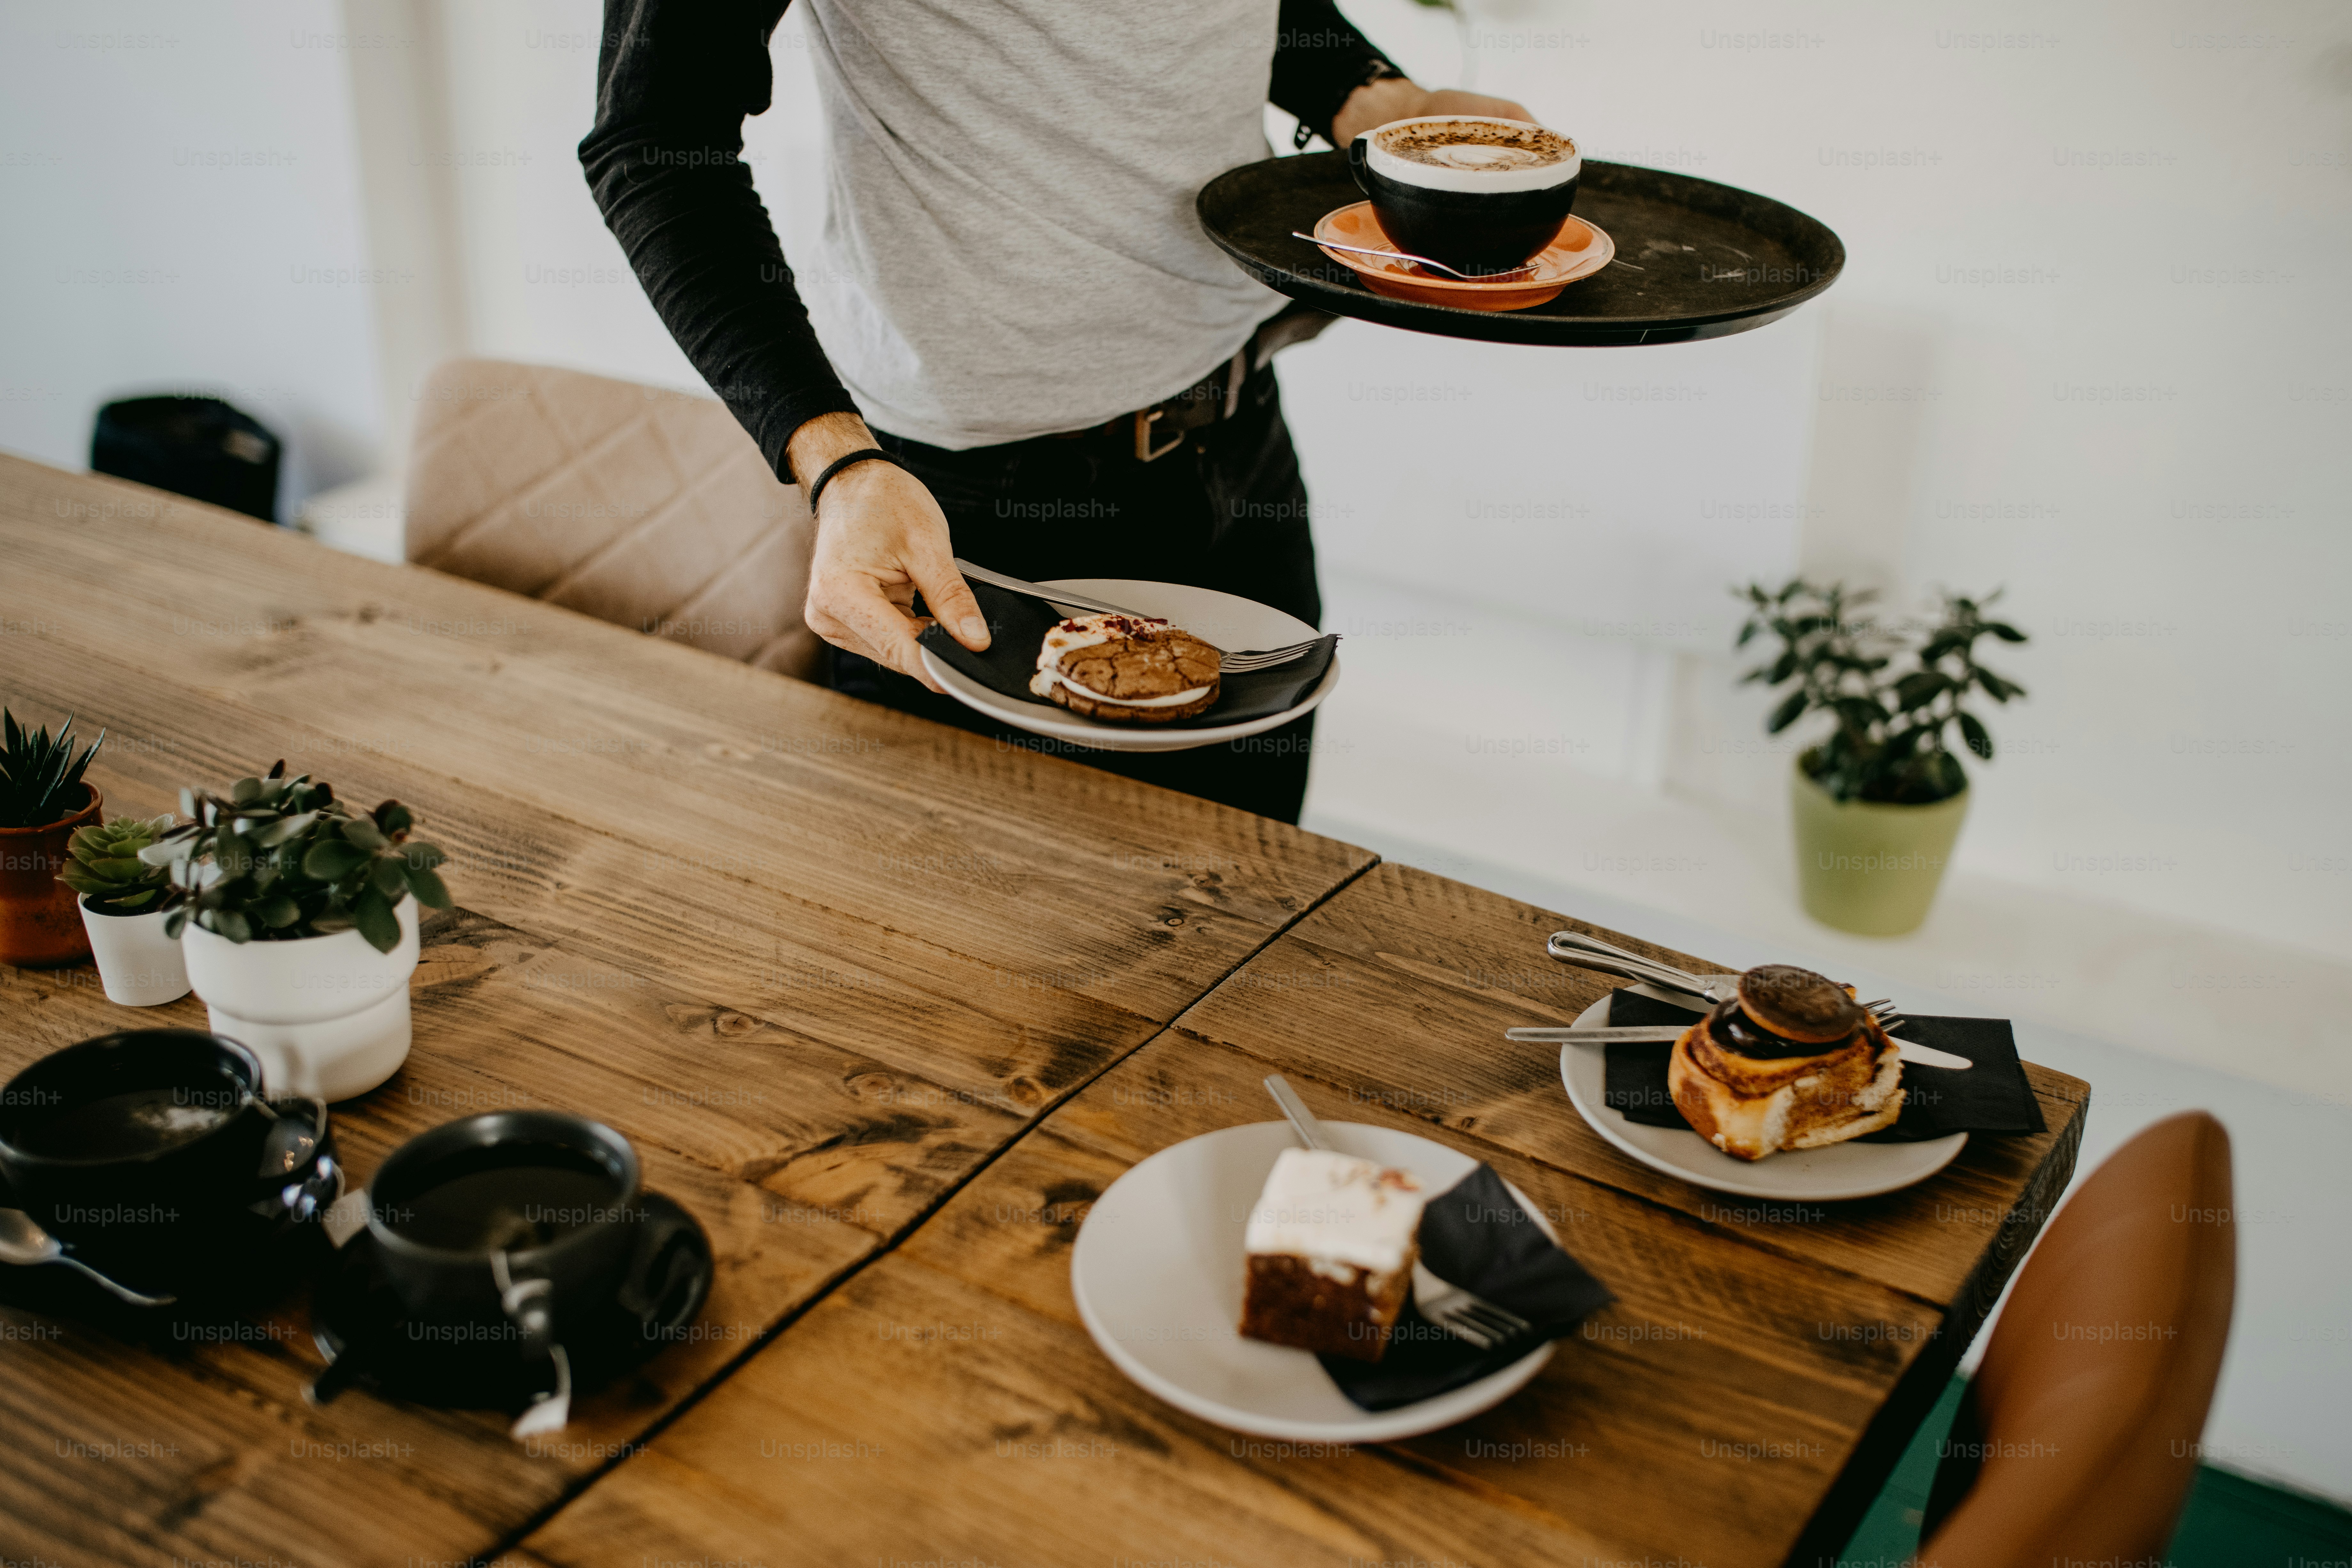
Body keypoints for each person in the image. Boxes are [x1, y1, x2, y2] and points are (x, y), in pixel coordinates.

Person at [583, 0, 1528, 822]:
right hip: (961, 524)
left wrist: (1368, 96)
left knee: (1247, 920)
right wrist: (835, 463)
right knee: (967, 974)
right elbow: (655, 135)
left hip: (1238, 455)